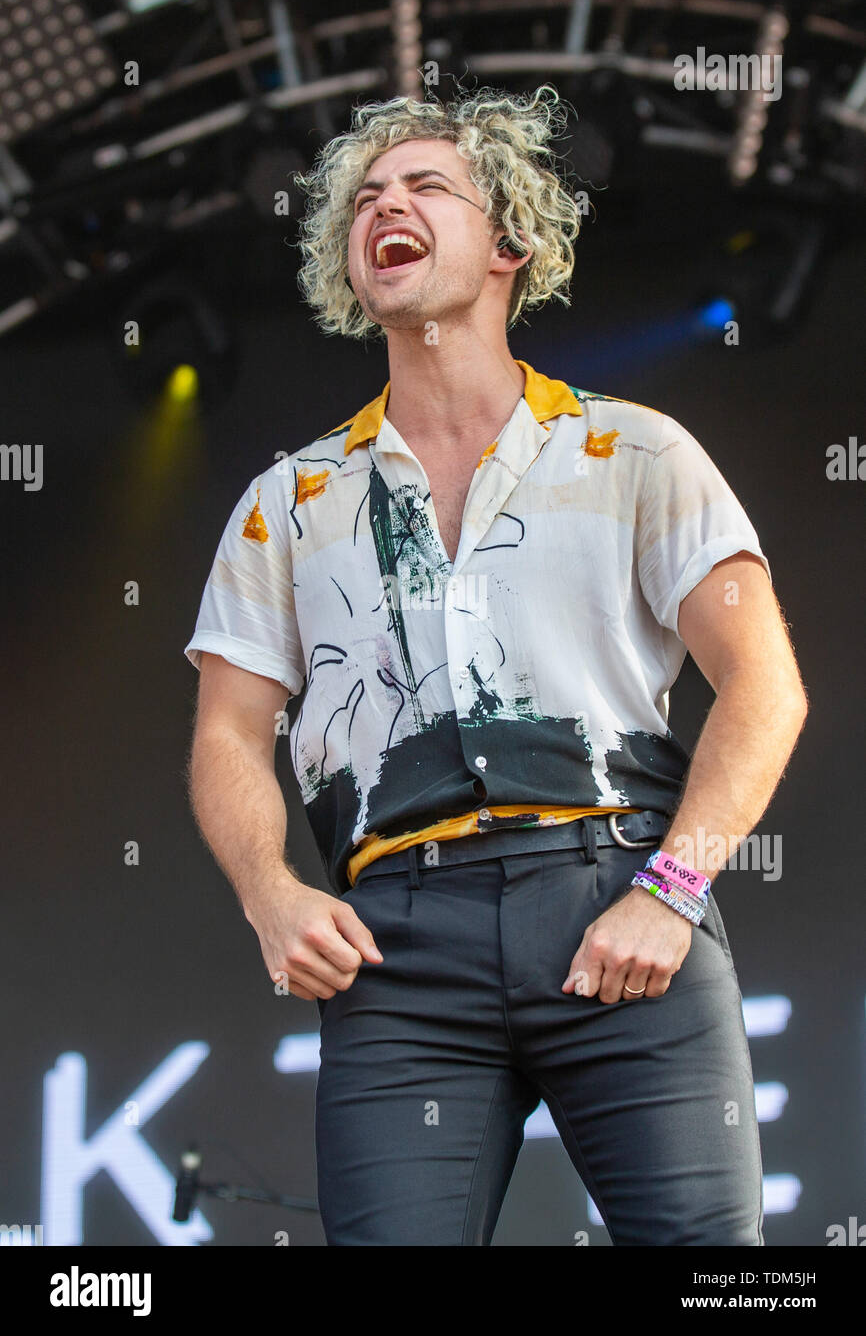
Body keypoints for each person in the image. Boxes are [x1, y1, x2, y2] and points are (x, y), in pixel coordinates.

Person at [184, 84, 808, 1246]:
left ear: (509, 242)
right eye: (364, 198)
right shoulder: (288, 501)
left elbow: (763, 684)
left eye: (425, 187)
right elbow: (228, 730)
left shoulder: (634, 450)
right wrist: (270, 896)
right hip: (399, 944)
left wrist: (671, 891)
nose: (386, 207)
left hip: (613, 887)